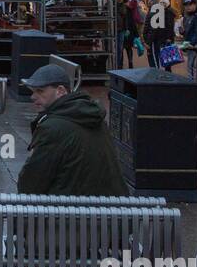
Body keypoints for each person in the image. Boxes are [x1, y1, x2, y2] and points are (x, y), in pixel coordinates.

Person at [16, 64, 128, 197]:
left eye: (40, 91)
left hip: (73, 210)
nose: (33, 97)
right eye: (32, 91)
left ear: (61, 91)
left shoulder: (53, 128)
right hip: (112, 207)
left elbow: (30, 184)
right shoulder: (93, 116)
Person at [144, 0, 176, 71]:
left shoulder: (157, 12)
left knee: (156, 60)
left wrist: (148, 42)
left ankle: (157, 77)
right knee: (158, 59)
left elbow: (154, 28)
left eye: (151, 0)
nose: (149, 1)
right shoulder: (153, 11)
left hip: (155, 41)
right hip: (156, 40)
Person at [180, 0, 197, 79]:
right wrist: (182, 32)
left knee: (193, 66)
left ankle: (194, 84)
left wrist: (193, 43)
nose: (188, 7)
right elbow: (188, 31)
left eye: (190, 4)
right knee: (191, 65)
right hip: (189, 45)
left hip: (195, 45)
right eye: (186, 5)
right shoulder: (186, 17)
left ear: (195, 5)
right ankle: (192, 83)